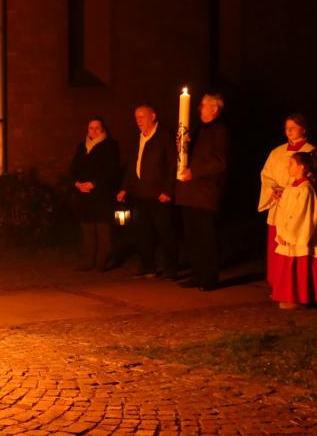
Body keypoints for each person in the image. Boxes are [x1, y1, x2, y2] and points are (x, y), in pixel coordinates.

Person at [117, 104, 177, 278]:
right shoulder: (139, 138)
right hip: (140, 193)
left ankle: (171, 267)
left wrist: (168, 190)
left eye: (142, 116)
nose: (138, 121)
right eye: (136, 117)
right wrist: (124, 188)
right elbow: (132, 165)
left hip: (159, 195)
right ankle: (148, 265)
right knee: (142, 232)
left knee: (165, 231)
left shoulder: (164, 136)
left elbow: (172, 164)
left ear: (153, 116)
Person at [176, 92, 229, 291]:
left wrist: (195, 172)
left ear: (214, 109)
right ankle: (197, 273)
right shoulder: (199, 130)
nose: (200, 108)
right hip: (189, 192)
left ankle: (210, 277)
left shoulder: (219, 130)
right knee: (192, 236)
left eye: (204, 105)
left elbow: (219, 161)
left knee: (206, 236)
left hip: (205, 193)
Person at [258, 114, 316, 289]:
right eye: (286, 128)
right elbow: (266, 175)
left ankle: (294, 287)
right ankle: (278, 285)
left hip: (297, 206)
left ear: (304, 129)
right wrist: (272, 190)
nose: (289, 131)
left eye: (293, 127)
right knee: (277, 244)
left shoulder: (311, 151)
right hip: (277, 204)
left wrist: (290, 191)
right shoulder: (276, 152)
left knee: (294, 244)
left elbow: (315, 177)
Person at [272, 151, 317, 309]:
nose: (287, 166)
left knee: (299, 265)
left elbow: (301, 215)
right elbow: (287, 211)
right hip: (286, 233)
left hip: (298, 235)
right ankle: (289, 296)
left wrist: (288, 234)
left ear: (301, 167)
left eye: (291, 164)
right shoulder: (291, 186)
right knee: (287, 266)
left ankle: (299, 297)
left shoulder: (306, 189)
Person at [71, 117, 120, 272]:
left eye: (97, 128)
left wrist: (95, 183)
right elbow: (74, 167)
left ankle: (102, 262)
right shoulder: (82, 147)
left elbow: (111, 170)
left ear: (103, 129)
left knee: (102, 228)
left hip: (101, 194)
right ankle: (88, 260)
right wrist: (77, 183)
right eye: (91, 128)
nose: (94, 131)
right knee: (88, 228)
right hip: (84, 195)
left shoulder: (110, 146)